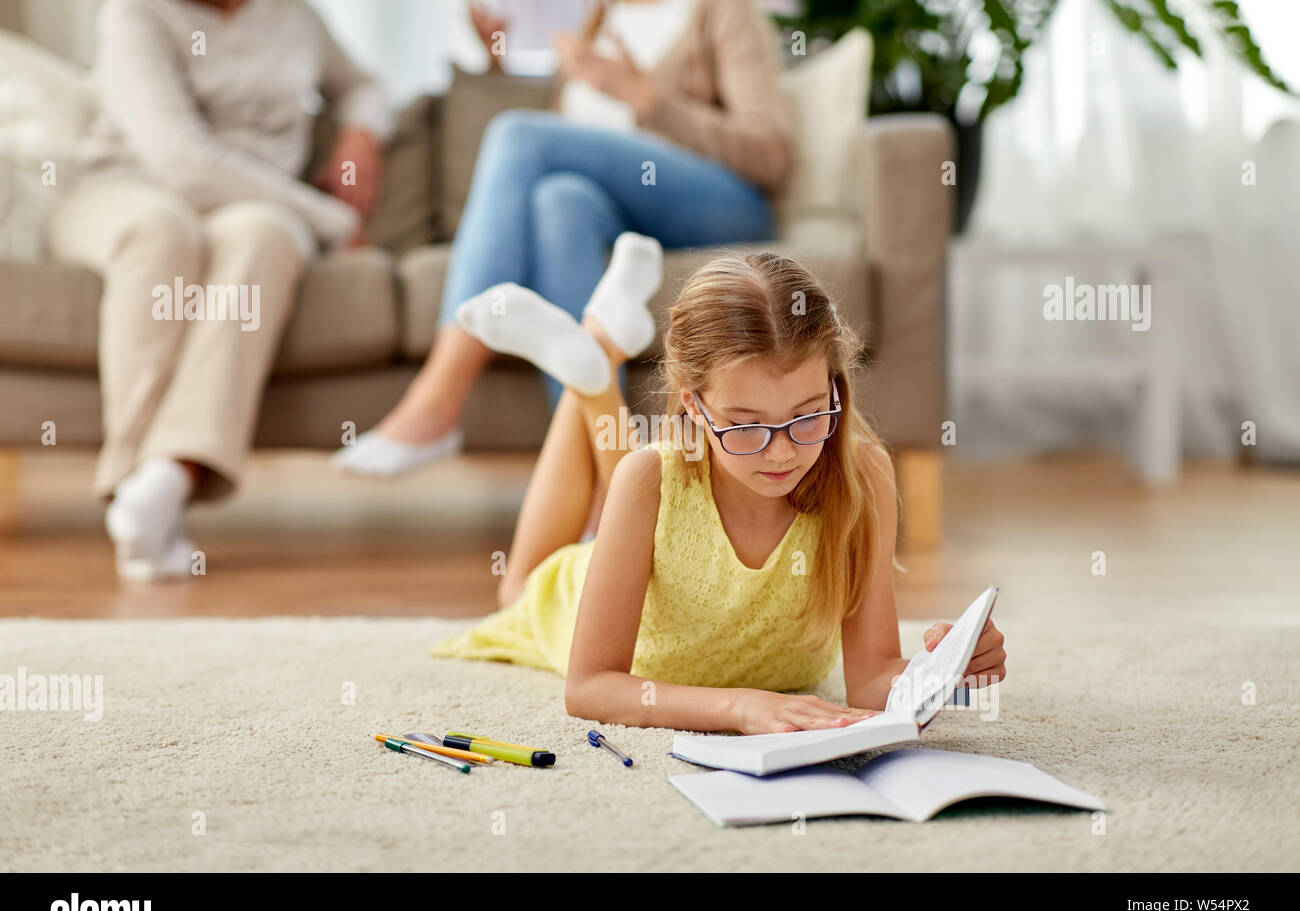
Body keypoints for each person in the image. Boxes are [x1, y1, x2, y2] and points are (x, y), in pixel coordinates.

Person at [429, 241, 1009, 734]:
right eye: (747, 425)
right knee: (521, 588)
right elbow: (588, 689)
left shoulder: (864, 475)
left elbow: (873, 677)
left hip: (664, 511)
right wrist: (739, 706)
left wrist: (945, 673)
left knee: (645, 482)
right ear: (693, 403)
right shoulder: (651, 479)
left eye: (807, 415)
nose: (781, 451)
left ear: (836, 387)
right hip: (580, 594)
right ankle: (593, 358)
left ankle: (593, 357)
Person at [332, 0, 796, 477]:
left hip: (722, 203)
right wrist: (498, 63)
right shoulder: (598, 18)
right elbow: (581, 135)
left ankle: (437, 400)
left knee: (516, 135)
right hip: (615, 210)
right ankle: (599, 472)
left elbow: (770, 153)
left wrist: (645, 99)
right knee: (559, 203)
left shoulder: (720, 12)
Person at [46, 0, 391, 579]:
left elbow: (364, 83)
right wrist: (331, 219)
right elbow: (181, 159)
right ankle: (132, 481)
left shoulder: (293, 16)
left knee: (266, 236)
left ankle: (167, 479)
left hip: (251, 204)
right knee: (163, 232)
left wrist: (362, 132)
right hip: (125, 189)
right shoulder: (133, 14)